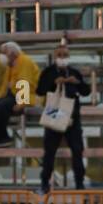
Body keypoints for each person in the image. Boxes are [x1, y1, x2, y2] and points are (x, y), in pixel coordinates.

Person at [35, 43, 90, 193]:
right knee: (50, 151)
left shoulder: (74, 72)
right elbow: (39, 90)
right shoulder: (48, 72)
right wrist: (53, 83)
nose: (62, 58)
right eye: (59, 55)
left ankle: (79, 182)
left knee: (77, 150)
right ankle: (45, 182)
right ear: (54, 57)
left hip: (72, 116)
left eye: (65, 55)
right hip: (55, 112)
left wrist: (77, 82)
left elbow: (86, 91)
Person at [0, 42, 40, 148]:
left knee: (2, 106)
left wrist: (21, 104)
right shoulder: (10, 65)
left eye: (4, 53)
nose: (1, 56)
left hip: (25, 96)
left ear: (12, 53)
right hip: (12, 94)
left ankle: (1, 138)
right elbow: (5, 85)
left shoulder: (24, 61)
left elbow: (25, 81)